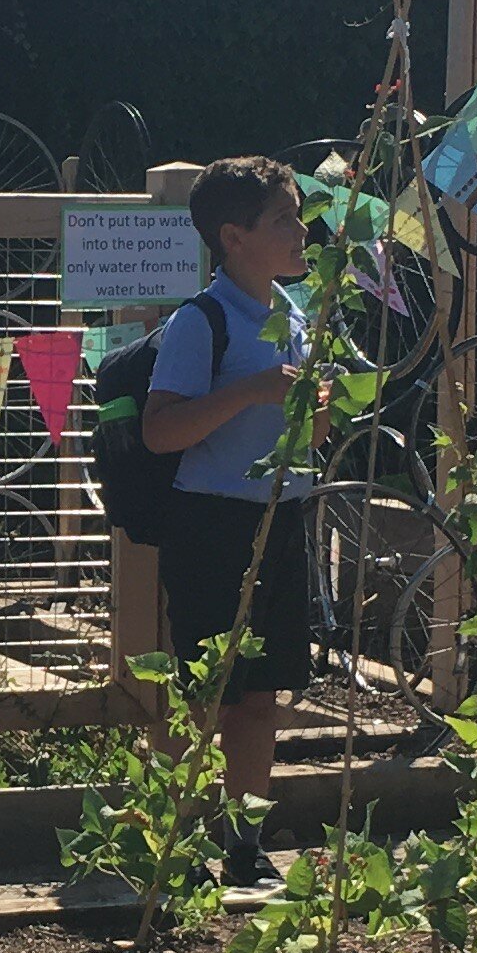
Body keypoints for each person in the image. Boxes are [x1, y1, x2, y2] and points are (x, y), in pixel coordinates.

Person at [140, 155, 322, 893]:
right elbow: (160, 432)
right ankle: (175, 849)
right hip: (213, 527)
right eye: (283, 218)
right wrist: (249, 391)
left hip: (283, 518)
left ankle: (243, 848)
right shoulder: (201, 320)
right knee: (206, 693)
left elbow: (301, 421)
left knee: (260, 694)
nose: (302, 229)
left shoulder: (298, 312)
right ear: (234, 237)